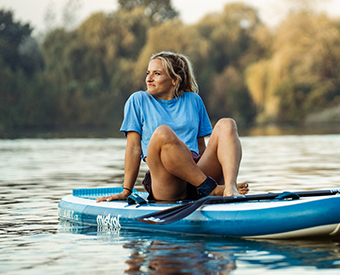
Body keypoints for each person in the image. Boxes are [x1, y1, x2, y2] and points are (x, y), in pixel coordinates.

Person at [97, 51, 248, 204]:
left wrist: (212, 174)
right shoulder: (137, 100)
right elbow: (134, 148)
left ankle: (229, 188)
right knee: (163, 132)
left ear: (175, 80)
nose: (149, 78)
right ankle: (212, 189)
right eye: (148, 73)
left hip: (197, 173)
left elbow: (201, 147)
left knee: (227, 124)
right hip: (166, 179)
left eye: (156, 74)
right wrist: (126, 191)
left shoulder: (194, 100)